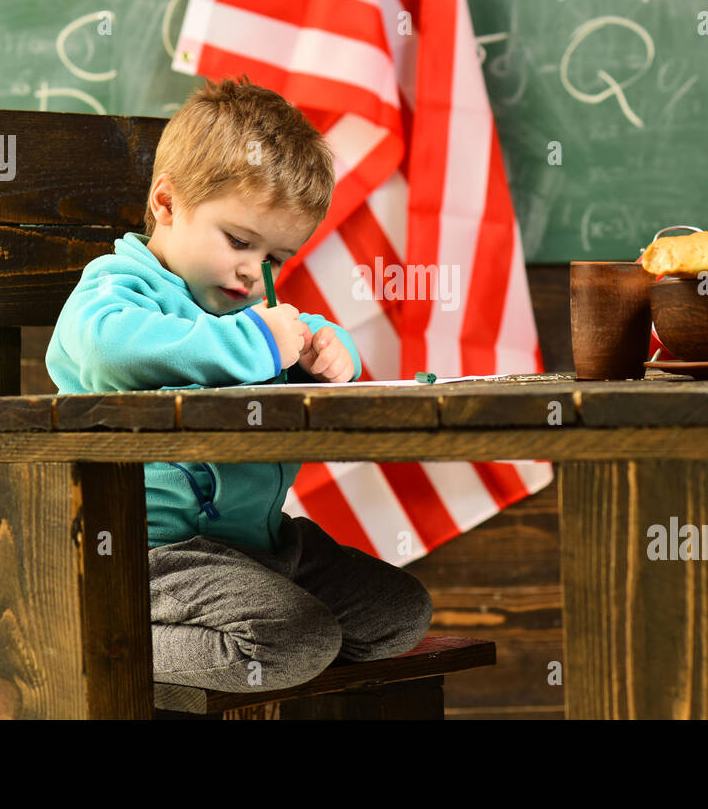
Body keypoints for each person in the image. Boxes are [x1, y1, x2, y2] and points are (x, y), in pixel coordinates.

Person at [45, 76, 432, 693]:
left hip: (262, 546)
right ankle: (87, 631)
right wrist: (258, 343)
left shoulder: (241, 308)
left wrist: (330, 351)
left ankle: (270, 632)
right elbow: (106, 345)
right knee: (290, 641)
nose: (255, 272)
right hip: (150, 557)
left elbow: (300, 330)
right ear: (166, 205)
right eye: (240, 242)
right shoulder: (118, 290)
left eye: (277, 258)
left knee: (399, 613)